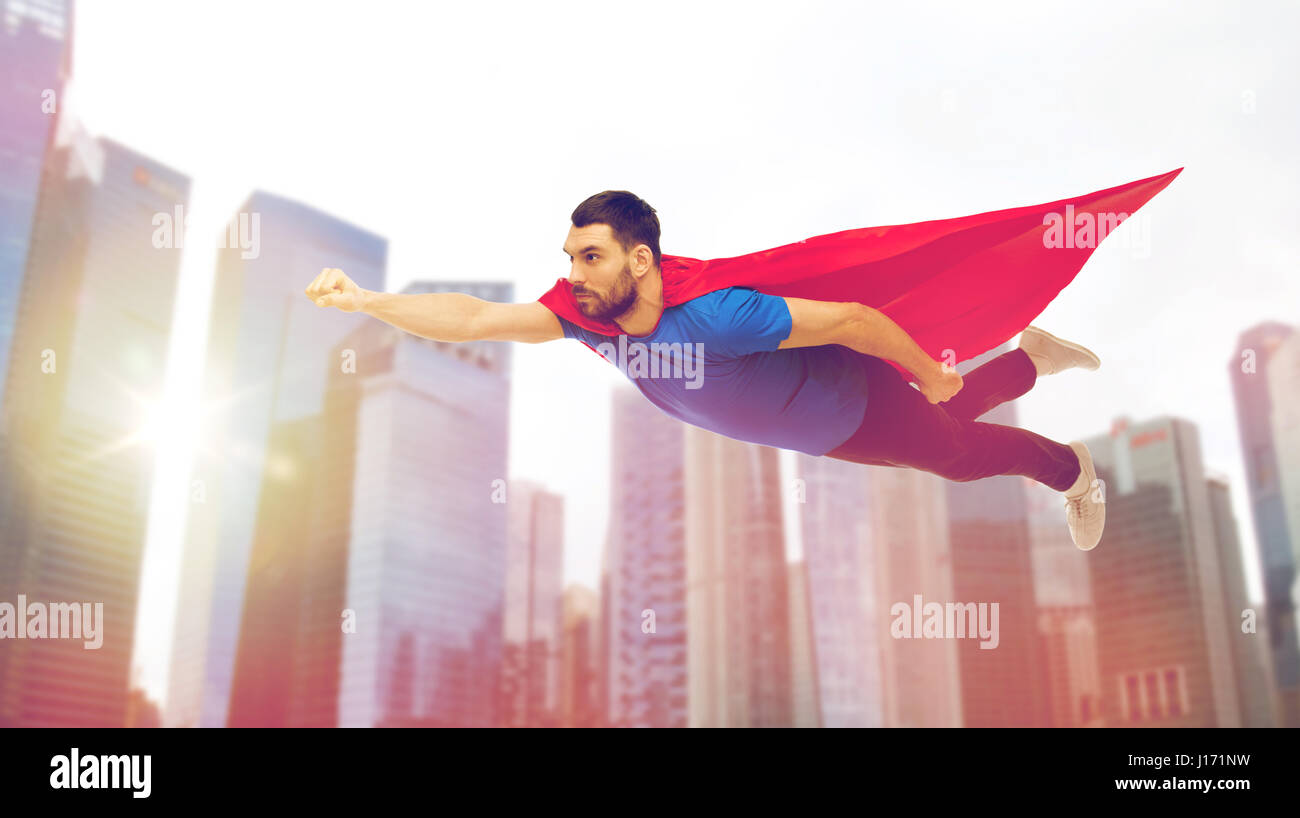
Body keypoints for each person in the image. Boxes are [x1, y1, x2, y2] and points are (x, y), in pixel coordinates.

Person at [306, 190, 1117, 550]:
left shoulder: (720, 314)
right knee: (943, 437)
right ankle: (1029, 363)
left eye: (590, 258)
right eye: (569, 258)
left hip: (849, 403)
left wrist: (930, 374)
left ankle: (1072, 472)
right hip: (820, 430)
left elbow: (858, 322)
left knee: (956, 455)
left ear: (641, 259)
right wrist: (369, 301)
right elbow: (477, 318)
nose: (575, 275)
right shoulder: (587, 319)